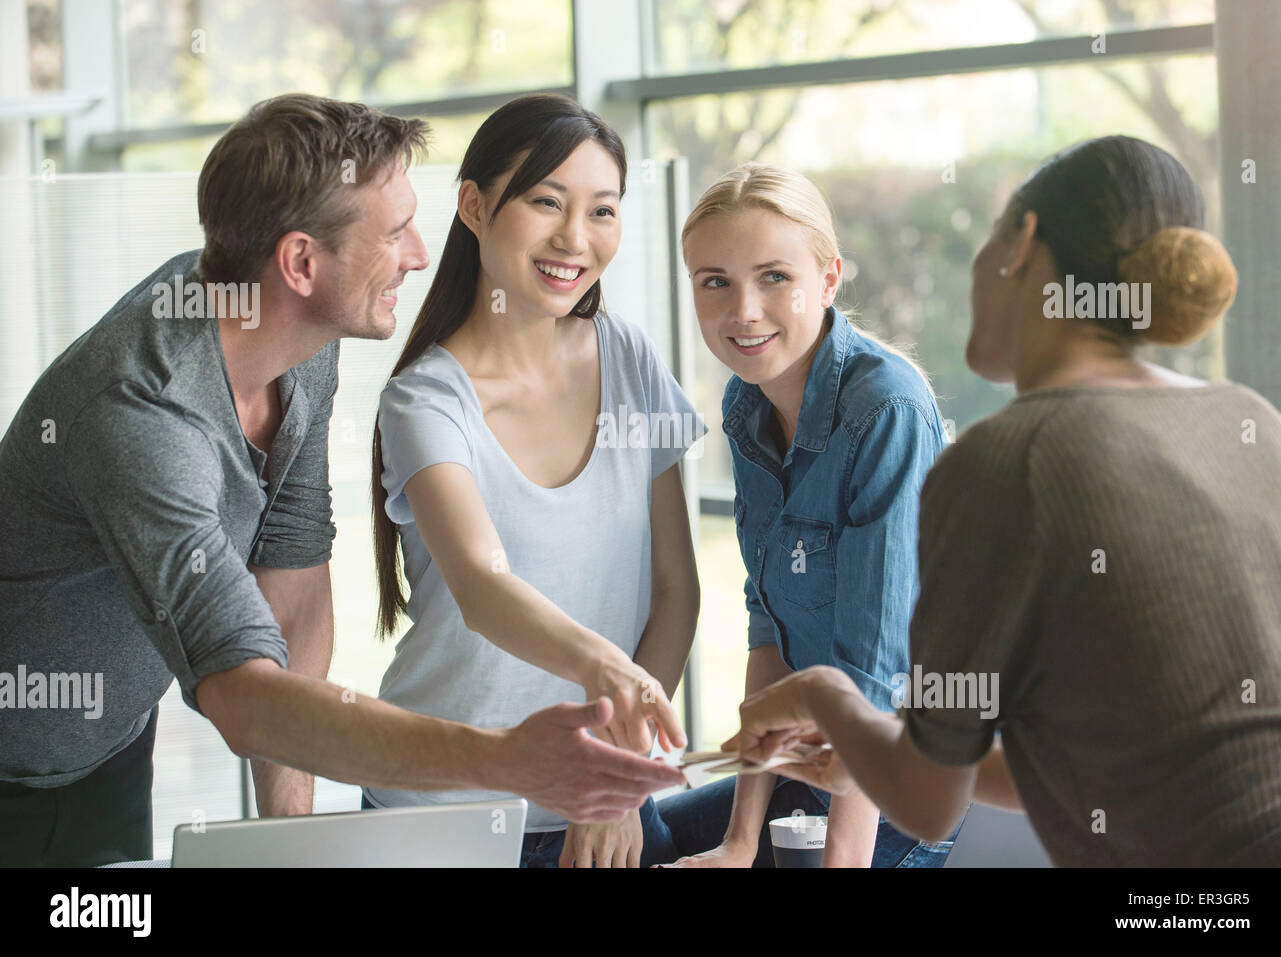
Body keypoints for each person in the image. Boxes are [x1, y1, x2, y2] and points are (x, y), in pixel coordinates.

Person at [0, 93, 685, 868]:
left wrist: (292, 845)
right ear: (300, 262)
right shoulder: (140, 412)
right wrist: (505, 760)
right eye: (394, 232)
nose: (420, 254)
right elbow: (245, 696)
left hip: (107, 744)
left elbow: (287, 586)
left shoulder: (298, 334)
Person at [725, 135, 1281, 867]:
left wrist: (825, 697)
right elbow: (1157, 760)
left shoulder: (1009, 458)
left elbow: (927, 800)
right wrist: (876, 752)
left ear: (1021, 243)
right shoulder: (1254, 422)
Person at [364, 93, 705, 868]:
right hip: (439, 818)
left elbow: (676, 590)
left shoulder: (628, 359)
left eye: (602, 211)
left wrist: (616, 779)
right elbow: (485, 587)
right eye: (546, 201)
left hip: (606, 810)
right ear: (475, 206)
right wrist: (605, 669)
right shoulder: (424, 399)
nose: (574, 239)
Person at [647, 163, 962, 868]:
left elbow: (874, 677)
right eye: (715, 282)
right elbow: (771, 639)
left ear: (828, 278)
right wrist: (738, 840)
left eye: (774, 277)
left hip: (901, 797)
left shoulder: (887, 410)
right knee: (646, 844)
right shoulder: (744, 407)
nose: (743, 312)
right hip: (810, 781)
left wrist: (840, 863)